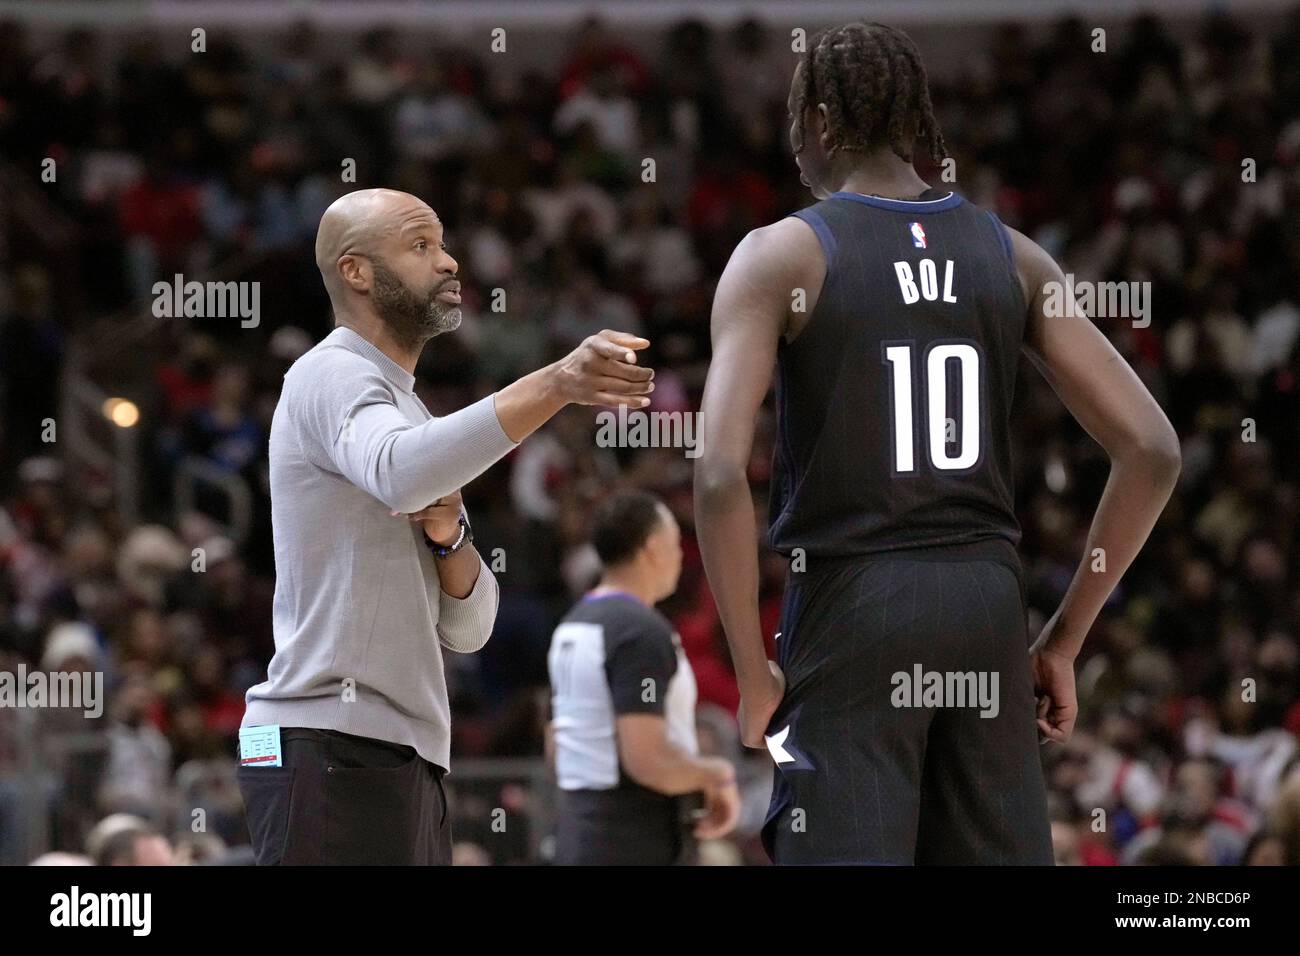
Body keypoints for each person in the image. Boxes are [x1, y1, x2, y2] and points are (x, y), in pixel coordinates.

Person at [694, 22, 1181, 864]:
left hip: (854, 603)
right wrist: (1063, 640)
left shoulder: (780, 255)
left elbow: (714, 475)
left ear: (819, 121)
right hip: (986, 604)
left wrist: (749, 669)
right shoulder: (1013, 255)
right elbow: (1153, 450)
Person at [239, 188, 654, 865]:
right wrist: (555, 384)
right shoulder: (330, 371)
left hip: (394, 752)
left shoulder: (411, 415)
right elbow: (399, 472)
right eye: (420, 245)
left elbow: (470, 628)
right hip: (328, 740)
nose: (449, 261)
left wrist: (451, 538)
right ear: (356, 271)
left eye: (442, 244)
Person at [547, 491, 739, 864]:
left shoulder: (573, 624)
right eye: (675, 544)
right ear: (652, 548)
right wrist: (716, 774)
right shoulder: (640, 631)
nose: (681, 556)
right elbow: (647, 759)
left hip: (578, 832)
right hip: (632, 839)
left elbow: (556, 745)